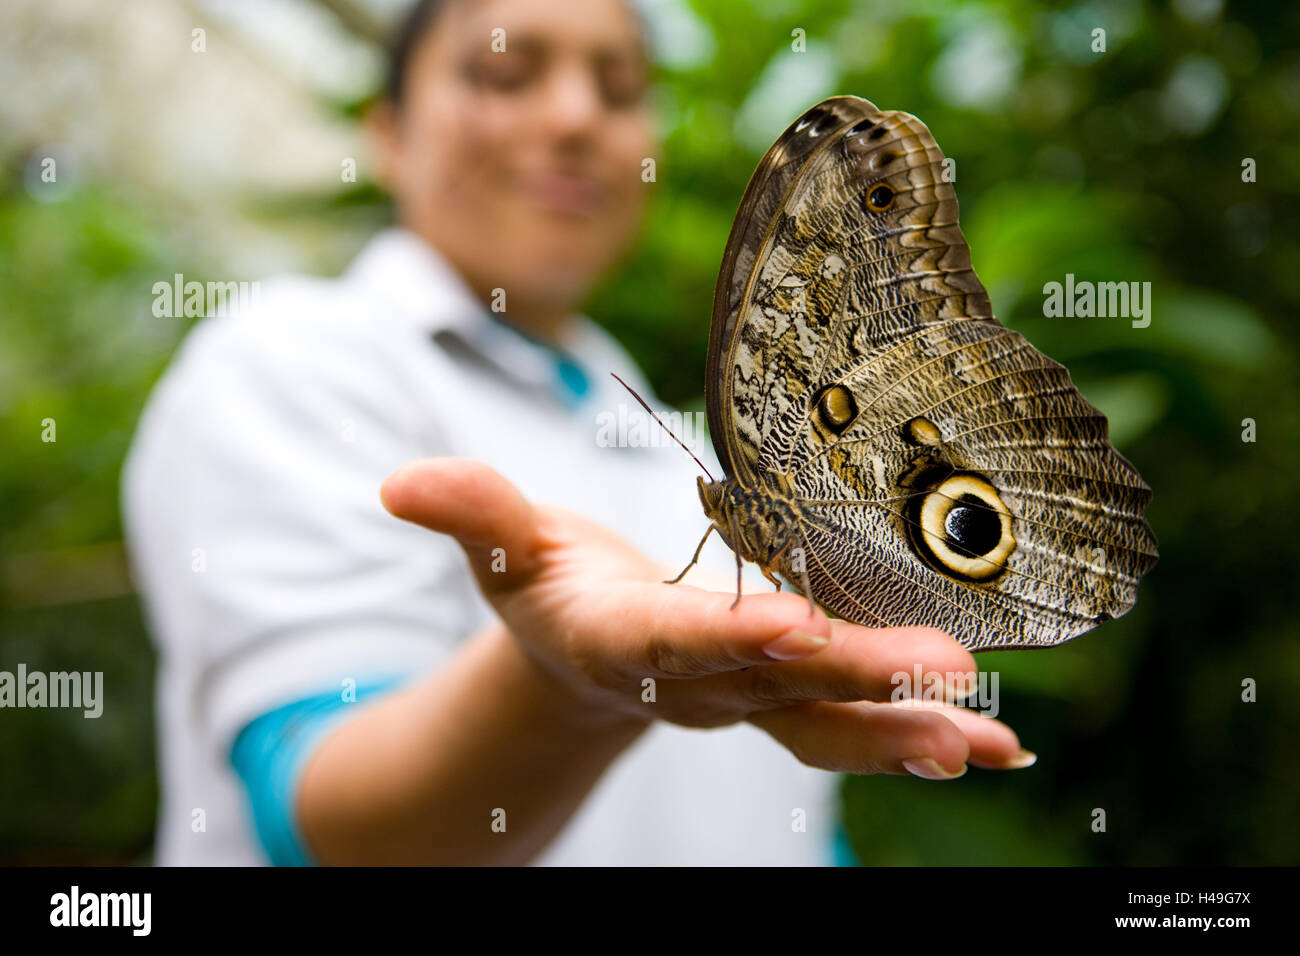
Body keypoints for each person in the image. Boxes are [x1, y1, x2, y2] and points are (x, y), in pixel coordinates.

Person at [121, 0, 1033, 867]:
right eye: (506, 71)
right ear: (388, 133)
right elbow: (330, 819)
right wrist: (566, 691)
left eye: (620, 88)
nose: (573, 117)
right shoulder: (293, 355)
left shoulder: (655, 420)